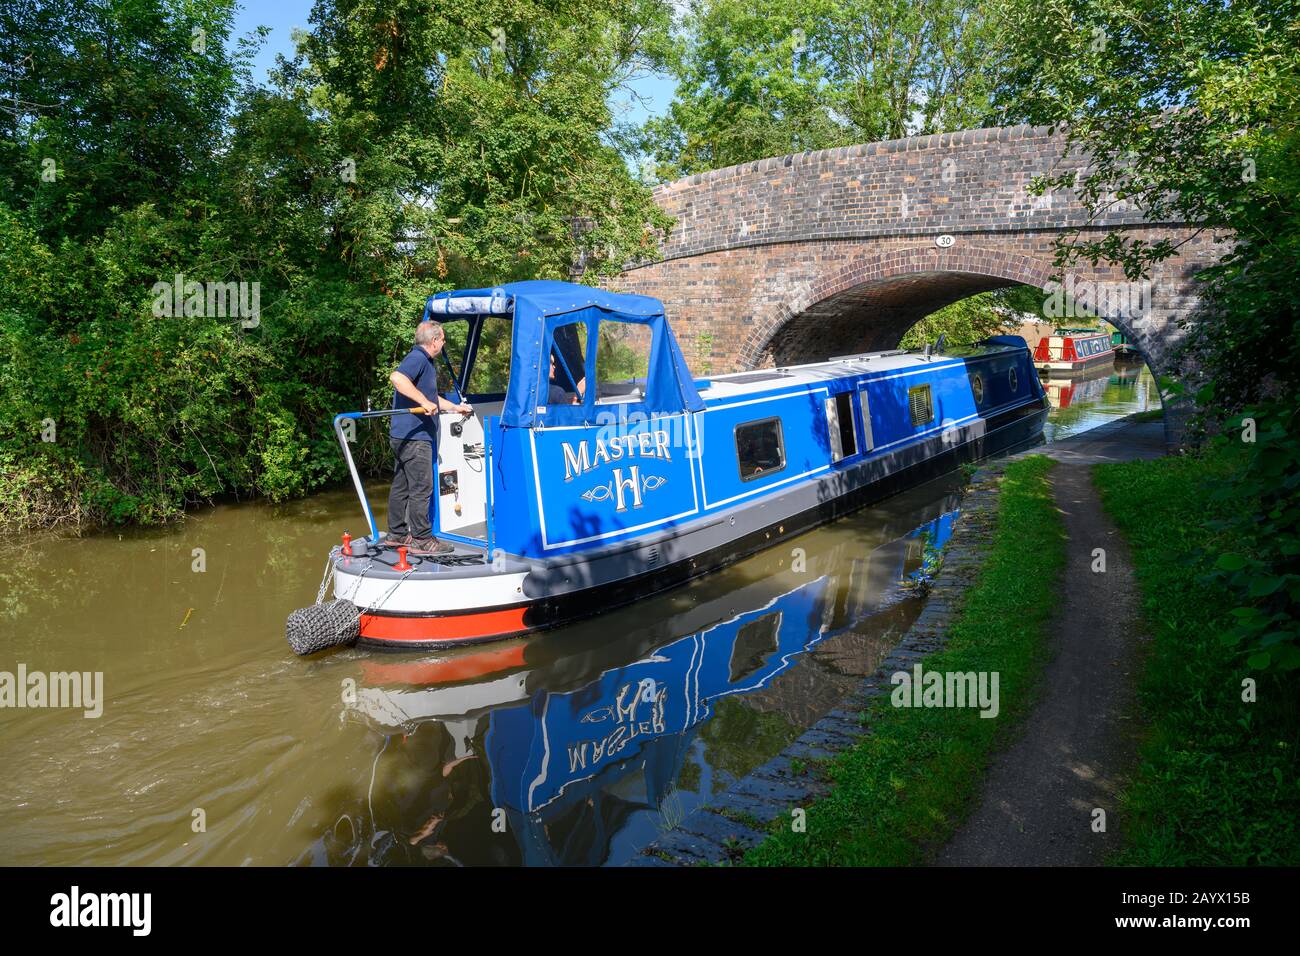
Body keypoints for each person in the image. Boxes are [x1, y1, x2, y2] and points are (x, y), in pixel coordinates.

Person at [387, 320, 472, 556]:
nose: (443, 344)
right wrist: (423, 402)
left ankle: (396, 534)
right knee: (421, 487)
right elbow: (397, 378)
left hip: (402, 434)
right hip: (416, 437)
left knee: (401, 486)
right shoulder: (418, 358)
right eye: (442, 340)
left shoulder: (423, 361)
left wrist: (455, 408)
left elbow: (432, 397)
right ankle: (422, 539)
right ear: (434, 341)